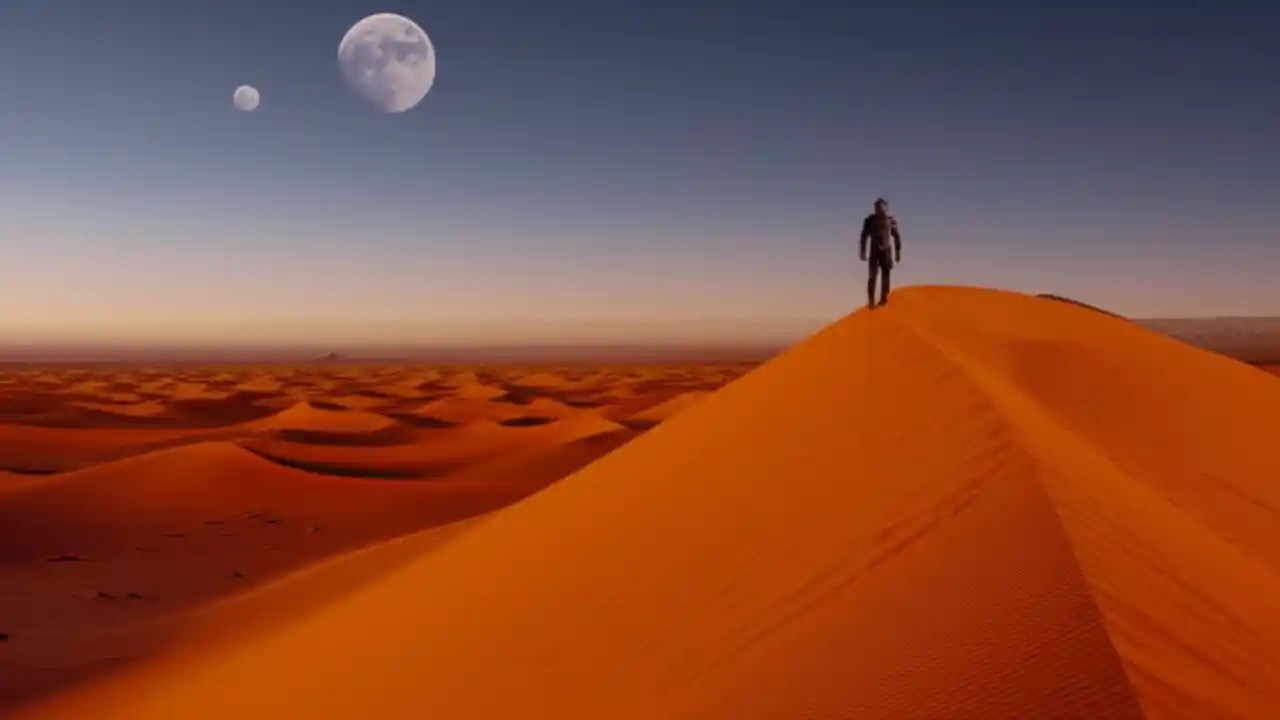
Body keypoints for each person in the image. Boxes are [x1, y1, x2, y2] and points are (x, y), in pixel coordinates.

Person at [859, 198, 902, 308]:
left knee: (886, 275)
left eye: (882, 206)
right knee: (872, 276)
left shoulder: (891, 221)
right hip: (874, 251)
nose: (879, 208)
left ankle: (884, 298)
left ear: (886, 208)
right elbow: (864, 236)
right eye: (877, 206)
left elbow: (896, 236)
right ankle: (871, 301)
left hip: (886, 251)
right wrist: (862, 251)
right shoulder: (869, 220)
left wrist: (897, 252)